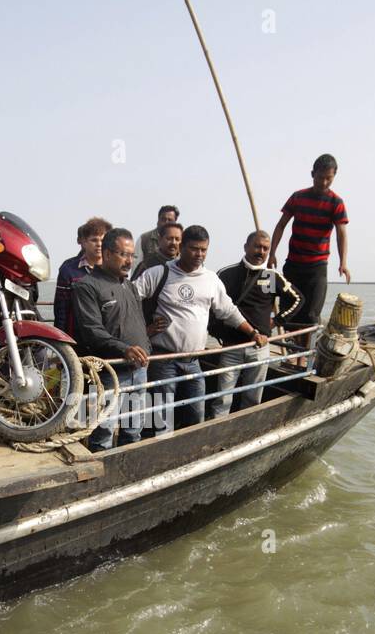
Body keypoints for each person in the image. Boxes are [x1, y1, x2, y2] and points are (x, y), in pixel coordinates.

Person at [136, 225, 268, 432]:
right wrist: (144, 330)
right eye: (194, 249)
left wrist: (252, 332)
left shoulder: (211, 279)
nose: (199, 254)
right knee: (162, 417)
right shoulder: (159, 273)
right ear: (182, 246)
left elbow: (228, 311)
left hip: (194, 361)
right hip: (164, 360)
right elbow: (129, 299)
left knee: (197, 414)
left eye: (204, 250)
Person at [70, 228, 151, 451]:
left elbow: (138, 323)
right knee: (103, 430)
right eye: (123, 254)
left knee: (134, 428)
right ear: (106, 254)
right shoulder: (86, 286)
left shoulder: (130, 286)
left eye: (132, 255)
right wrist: (124, 349)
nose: (129, 261)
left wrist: (146, 348)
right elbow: (91, 331)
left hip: (139, 369)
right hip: (109, 373)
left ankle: (128, 468)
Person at [268, 154, 350, 346]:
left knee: (312, 314)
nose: (323, 182)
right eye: (320, 177)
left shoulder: (336, 202)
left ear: (334, 177)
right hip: (294, 263)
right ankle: (293, 352)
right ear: (312, 174)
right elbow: (281, 225)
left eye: (328, 178)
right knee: (288, 308)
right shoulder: (298, 197)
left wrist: (343, 263)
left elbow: (341, 234)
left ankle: (304, 356)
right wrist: (272, 253)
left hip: (317, 267)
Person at [207, 230, 276, 418]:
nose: (260, 251)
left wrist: (275, 322)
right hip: (231, 348)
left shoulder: (268, 277)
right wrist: (218, 333)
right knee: (222, 398)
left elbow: (269, 303)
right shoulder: (226, 274)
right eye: (257, 246)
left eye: (265, 248)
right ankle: (217, 434)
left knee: (253, 398)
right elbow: (211, 307)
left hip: (259, 347)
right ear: (246, 247)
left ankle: (246, 432)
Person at [53, 217, 112, 336]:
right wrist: (60, 340)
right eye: (94, 240)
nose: (99, 244)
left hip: (108, 337)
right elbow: (61, 310)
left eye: (103, 240)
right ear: (83, 242)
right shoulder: (69, 270)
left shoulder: (113, 269)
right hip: (77, 336)